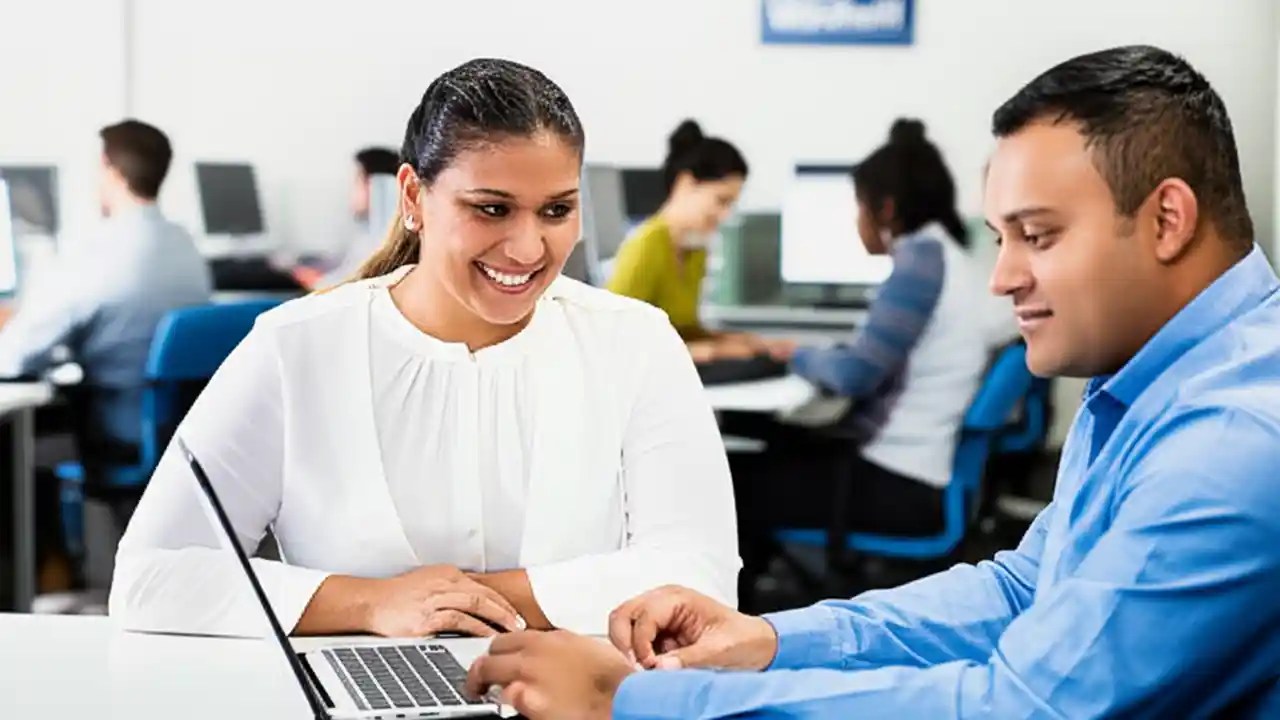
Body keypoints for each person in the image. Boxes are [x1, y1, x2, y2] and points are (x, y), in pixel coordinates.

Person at [464, 45, 1280, 718]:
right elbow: (1024, 590)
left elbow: (1023, 709)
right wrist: (770, 641)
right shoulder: (1144, 385)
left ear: (1168, 220)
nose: (1002, 279)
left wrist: (633, 700)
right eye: (1003, 238)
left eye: (1038, 236)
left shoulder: (1229, 440)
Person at [109, 58, 739, 639]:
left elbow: (701, 577)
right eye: (491, 209)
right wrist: (371, 603)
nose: (528, 248)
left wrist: (458, 601)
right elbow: (151, 577)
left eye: (556, 210)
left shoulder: (635, 341)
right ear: (413, 196)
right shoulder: (296, 346)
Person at [725, 119, 990, 598]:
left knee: (727, 484)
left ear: (885, 208)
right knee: (766, 451)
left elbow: (854, 375)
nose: (856, 221)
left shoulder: (920, 263)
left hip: (898, 483)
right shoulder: (945, 254)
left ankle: (731, 624)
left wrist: (797, 354)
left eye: (858, 207)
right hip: (914, 470)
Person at [0, 119, 212, 453]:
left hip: (117, 427)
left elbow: (12, 357)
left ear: (109, 169)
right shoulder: (185, 244)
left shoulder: (96, 253)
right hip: (181, 430)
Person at [606, 120, 778, 362]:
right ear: (686, 183)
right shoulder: (645, 246)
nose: (725, 215)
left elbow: (683, 330)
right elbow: (615, 342)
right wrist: (713, 352)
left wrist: (735, 340)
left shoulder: (696, 248)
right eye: (721, 200)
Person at [292, 147, 400, 289]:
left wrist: (310, 278)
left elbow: (347, 286)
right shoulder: (369, 231)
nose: (352, 190)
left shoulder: (382, 236)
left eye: (357, 180)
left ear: (374, 185)